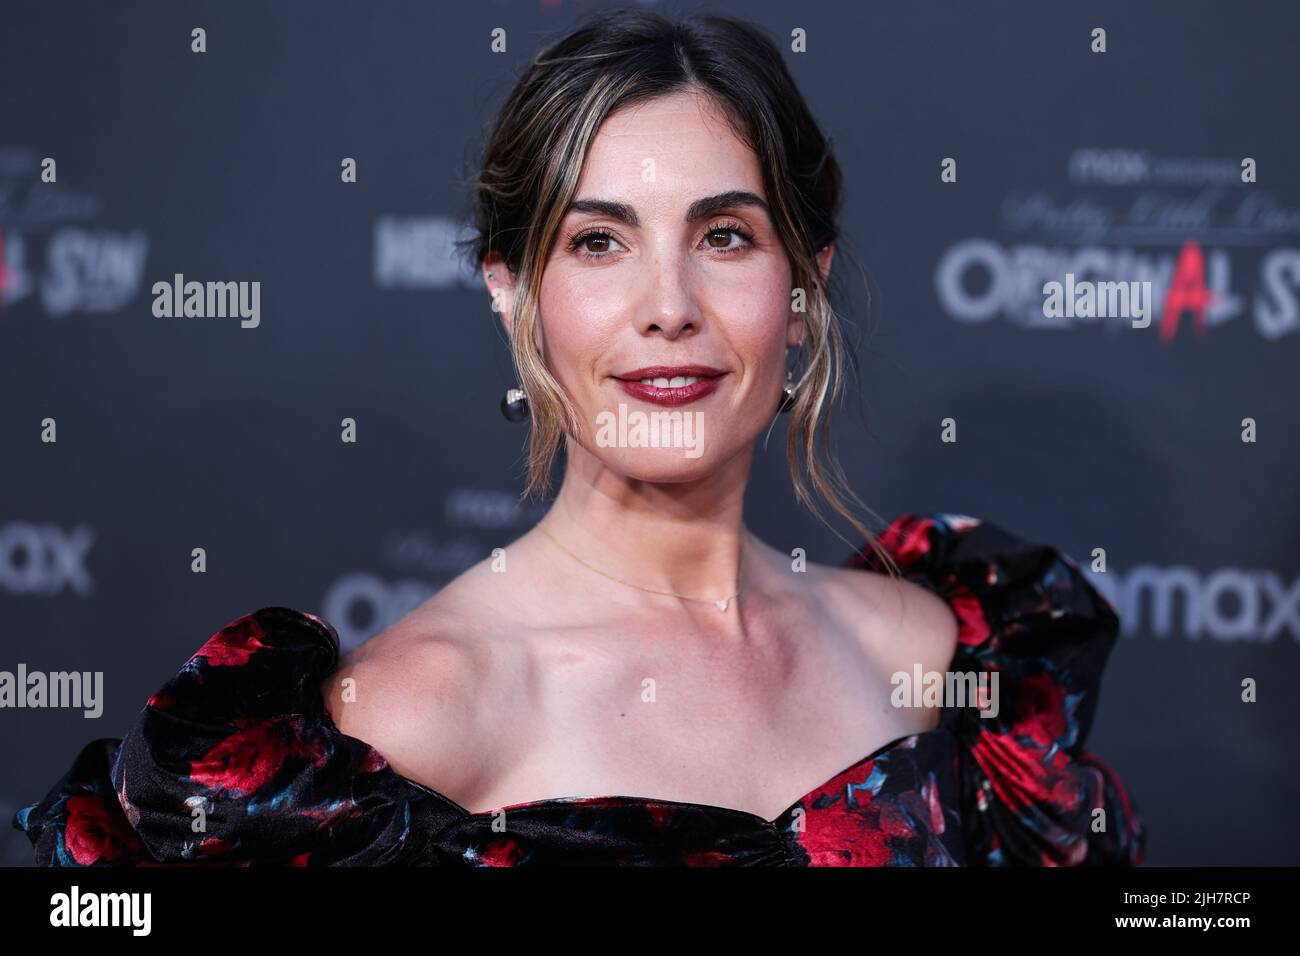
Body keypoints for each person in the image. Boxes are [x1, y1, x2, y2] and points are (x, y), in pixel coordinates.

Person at [13, 9, 1145, 867]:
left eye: (727, 235)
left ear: (805, 288)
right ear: (512, 292)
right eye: (600, 242)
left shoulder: (944, 655)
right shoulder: (408, 716)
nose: (669, 304)